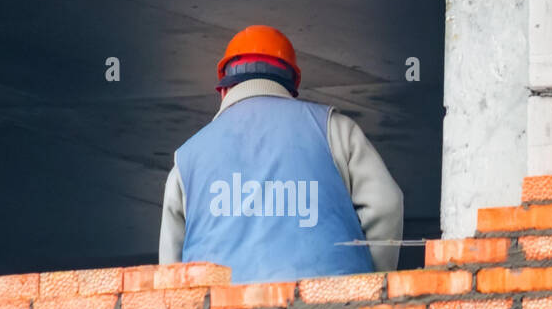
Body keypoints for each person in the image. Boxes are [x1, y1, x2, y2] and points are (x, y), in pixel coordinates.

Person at [159, 25, 404, 283]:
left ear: (223, 90)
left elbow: (169, 271)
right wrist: (371, 286)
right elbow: (387, 204)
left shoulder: (187, 158)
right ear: (291, 85)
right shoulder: (334, 129)